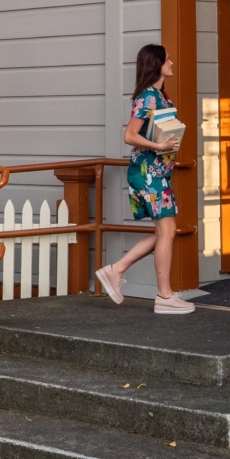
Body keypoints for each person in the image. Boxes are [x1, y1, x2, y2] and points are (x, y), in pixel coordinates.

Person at [96, 44, 194, 315]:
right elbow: (130, 135)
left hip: (157, 173)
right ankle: (163, 296)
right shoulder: (148, 97)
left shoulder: (159, 95)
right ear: (157, 63)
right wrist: (160, 147)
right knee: (167, 231)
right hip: (148, 173)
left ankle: (116, 270)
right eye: (168, 59)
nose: (172, 63)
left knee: (167, 231)